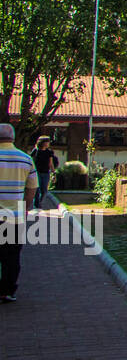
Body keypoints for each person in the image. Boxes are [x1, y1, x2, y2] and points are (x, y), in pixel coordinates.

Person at [0, 124, 37, 303]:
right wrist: (26, 207)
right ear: (13, 138)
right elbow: (32, 188)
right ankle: (7, 290)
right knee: (11, 256)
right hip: (14, 217)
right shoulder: (26, 159)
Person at [31, 136, 58, 209]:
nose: (48, 143)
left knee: (44, 190)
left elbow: (50, 163)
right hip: (37, 172)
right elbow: (32, 161)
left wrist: (53, 172)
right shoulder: (36, 151)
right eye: (47, 142)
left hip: (46, 173)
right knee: (37, 189)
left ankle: (40, 201)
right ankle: (36, 204)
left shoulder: (49, 152)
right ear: (43, 143)